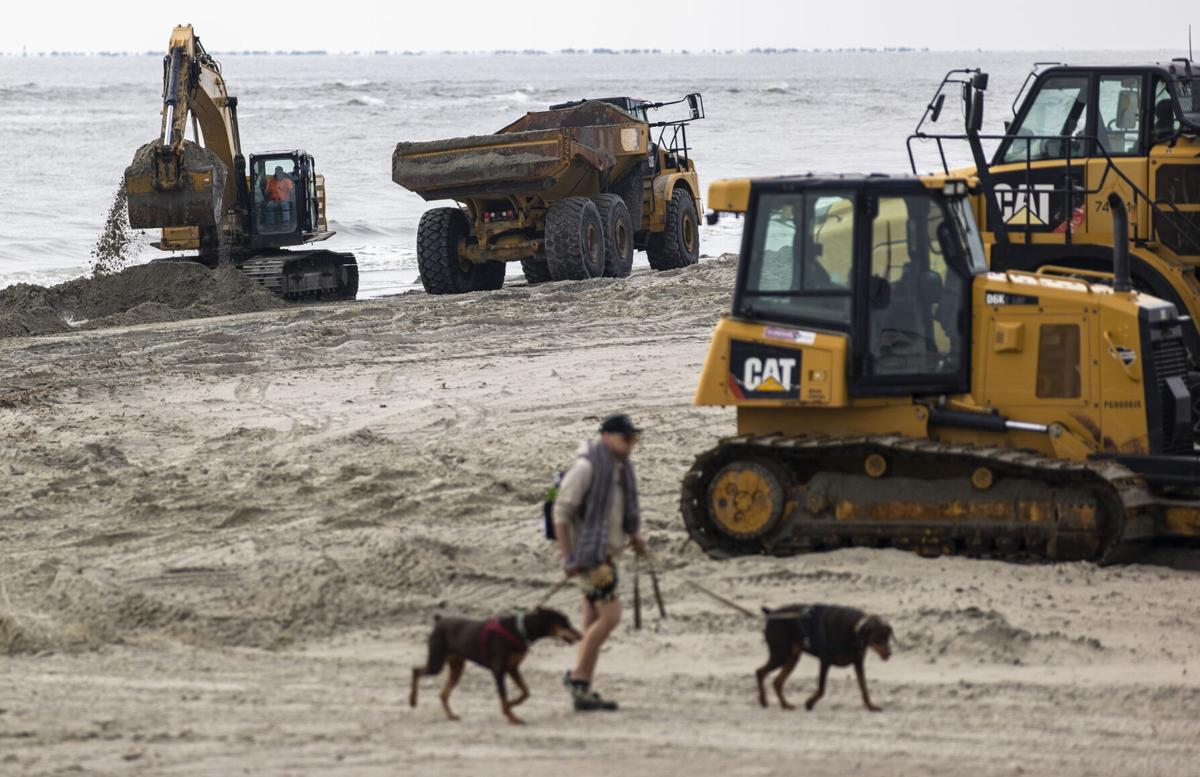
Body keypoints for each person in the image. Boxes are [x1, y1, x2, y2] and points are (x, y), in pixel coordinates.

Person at [552, 413, 646, 712]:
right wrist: (569, 558)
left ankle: (583, 692)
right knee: (612, 616)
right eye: (626, 437)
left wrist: (634, 534)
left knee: (592, 622)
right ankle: (578, 677)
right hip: (590, 558)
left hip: (608, 554)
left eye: (634, 438)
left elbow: (620, 511)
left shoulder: (621, 468)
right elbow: (561, 514)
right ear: (607, 436)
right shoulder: (586, 467)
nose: (631, 443)